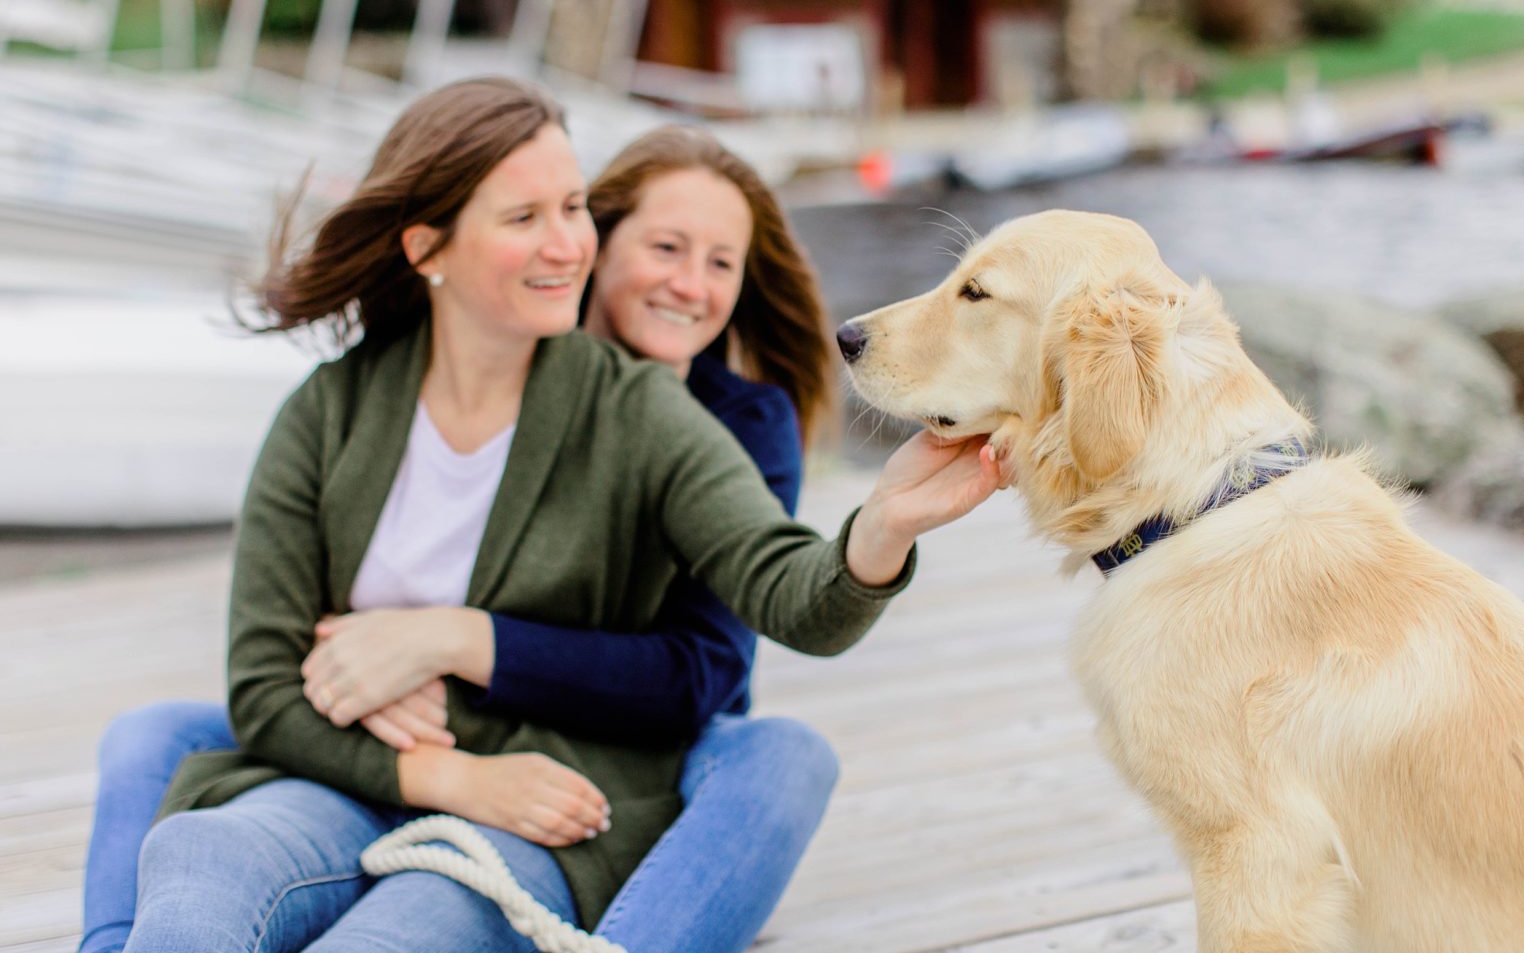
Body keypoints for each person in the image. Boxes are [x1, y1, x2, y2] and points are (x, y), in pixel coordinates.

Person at [113, 77, 999, 953]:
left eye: (572, 207)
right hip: (345, 770)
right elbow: (264, 679)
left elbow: (779, 589)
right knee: (198, 858)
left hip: (542, 788)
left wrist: (882, 523)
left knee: (402, 930)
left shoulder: (643, 410)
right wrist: (435, 764)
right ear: (429, 249)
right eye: (524, 216)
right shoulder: (332, 407)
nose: (566, 242)